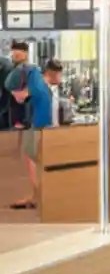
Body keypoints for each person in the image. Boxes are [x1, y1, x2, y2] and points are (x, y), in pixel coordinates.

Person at [9, 60, 62, 209]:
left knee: (35, 161)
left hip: (41, 129)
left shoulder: (42, 87)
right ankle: (37, 195)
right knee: (33, 159)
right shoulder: (40, 87)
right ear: (53, 73)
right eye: (59, 74)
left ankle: (37, 195)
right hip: (40, 129)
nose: (61, 77)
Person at [3, 41, 34, 130]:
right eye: (13, 54)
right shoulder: (19, 69)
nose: (12, 56)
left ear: (26, 54)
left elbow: (8, 86)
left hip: (20, 117)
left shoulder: (21, 70)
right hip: (23, 116)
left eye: (16, 55)